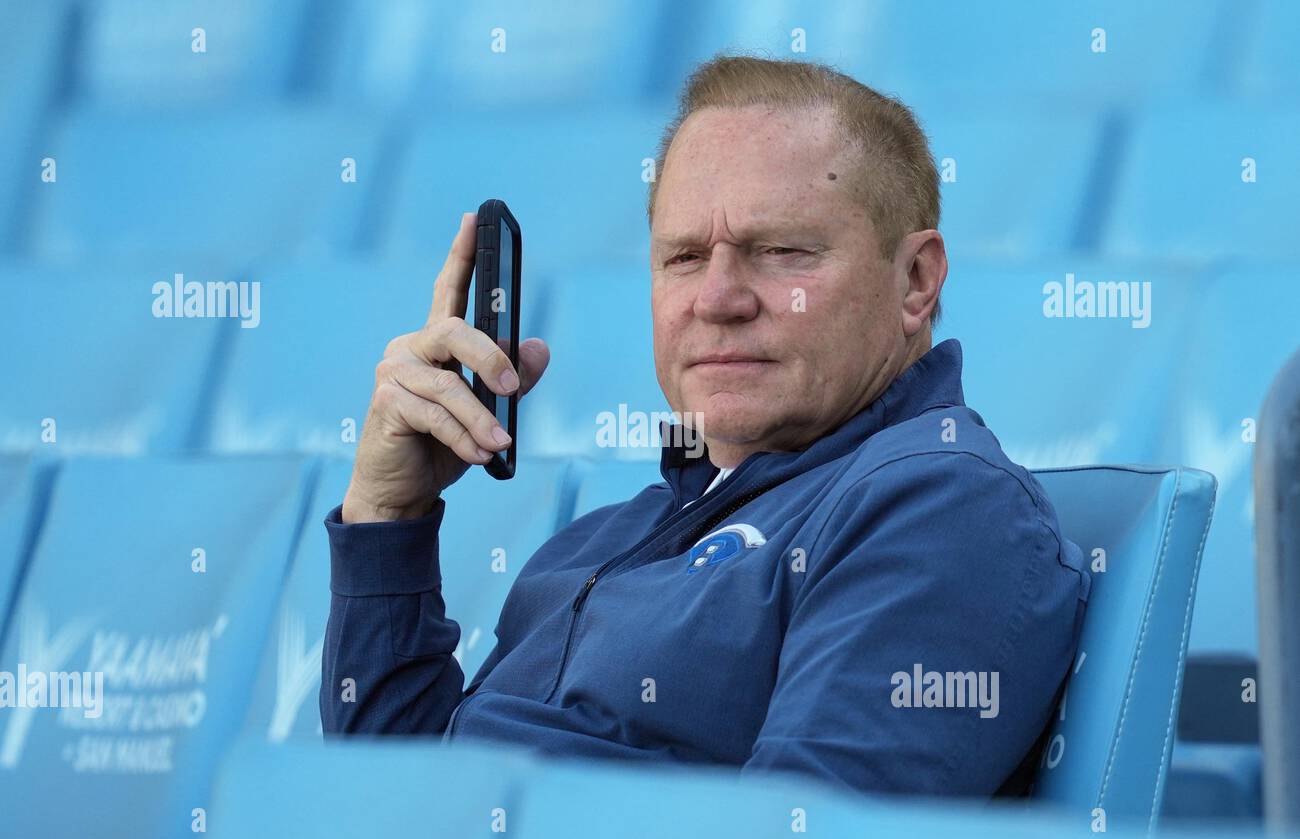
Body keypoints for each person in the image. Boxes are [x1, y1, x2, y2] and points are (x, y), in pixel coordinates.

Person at [319, 54, 1091, 799]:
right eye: (684, 258)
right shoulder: (602, 537)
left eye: (783, 251)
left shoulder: (943, 509)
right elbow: (391, 805)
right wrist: (388, 520)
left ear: (915, 282)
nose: (717, 299)